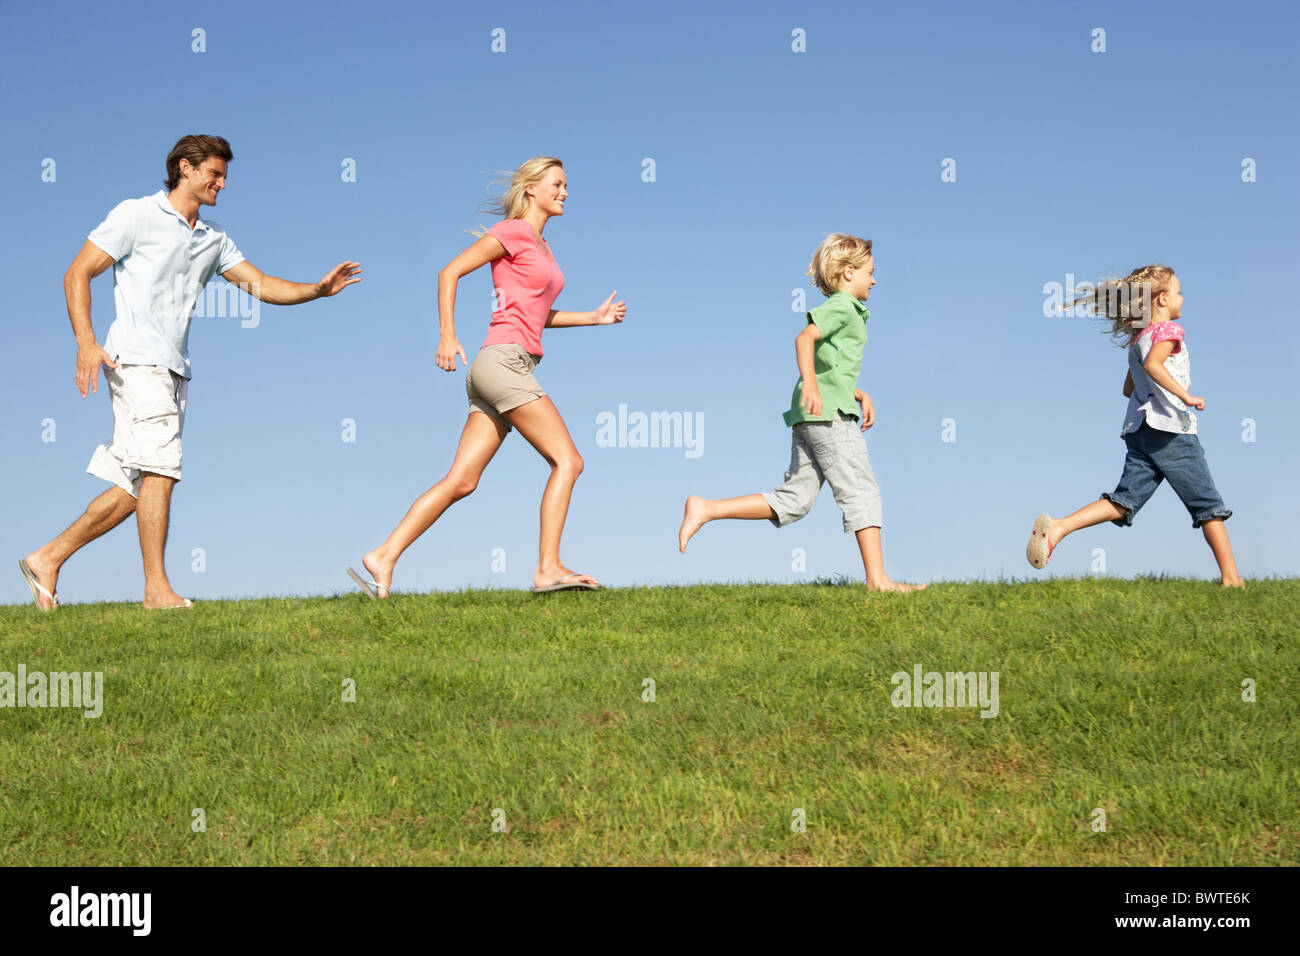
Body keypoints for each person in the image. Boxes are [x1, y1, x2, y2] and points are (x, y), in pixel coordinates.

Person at [18, 134, 362, 611]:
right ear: (185, 168)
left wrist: (317, 290)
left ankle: (47, 558)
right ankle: (156, 590)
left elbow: (260, 284)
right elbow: (76, 273)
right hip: (137, 360)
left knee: (135, 486)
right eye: (214, 174)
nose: (222, 184)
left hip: (175, 370)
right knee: (161, 472)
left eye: (224, 176)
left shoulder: (213, 238)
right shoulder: (136, 215)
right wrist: (86, 343)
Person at [349, 157, 625, 597]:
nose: (565, 192)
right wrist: (446, 336)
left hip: (498, 367)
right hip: (504, 365)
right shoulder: (513, 232)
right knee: (568, 461)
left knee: (462, 481)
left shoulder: (541, 245)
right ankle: (548, 567)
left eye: (567, 185)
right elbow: (450, 271)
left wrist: (594, 318)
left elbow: (536, 315)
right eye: (558, 184)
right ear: (532, 188)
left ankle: (383, 555)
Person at [678, 233, 924, 592]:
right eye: (870, 272)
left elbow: (831, 366)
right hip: (827, 416)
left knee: (794, 500)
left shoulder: (848, 311)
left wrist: (858, 392)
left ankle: (706, 509)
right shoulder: (842, 307)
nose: (875, 279)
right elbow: (804, 339)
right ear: (847, 273)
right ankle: (878, 580)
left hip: (813, 413)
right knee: (861, 490)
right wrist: (810, 383)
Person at [1026, 264, 1243, 587]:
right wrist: (1186, 395)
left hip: (1139, 431)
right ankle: (1231, 578)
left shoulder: (1139, 340)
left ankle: (1059, 527)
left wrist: (1153, 381)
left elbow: (1129, 389)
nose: (1183, 297)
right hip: (1172, 432)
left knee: (1123, 502)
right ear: (1161, 300)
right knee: (1208, 505)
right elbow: (1155, 366)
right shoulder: (1169, 333)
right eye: (1179, 291)